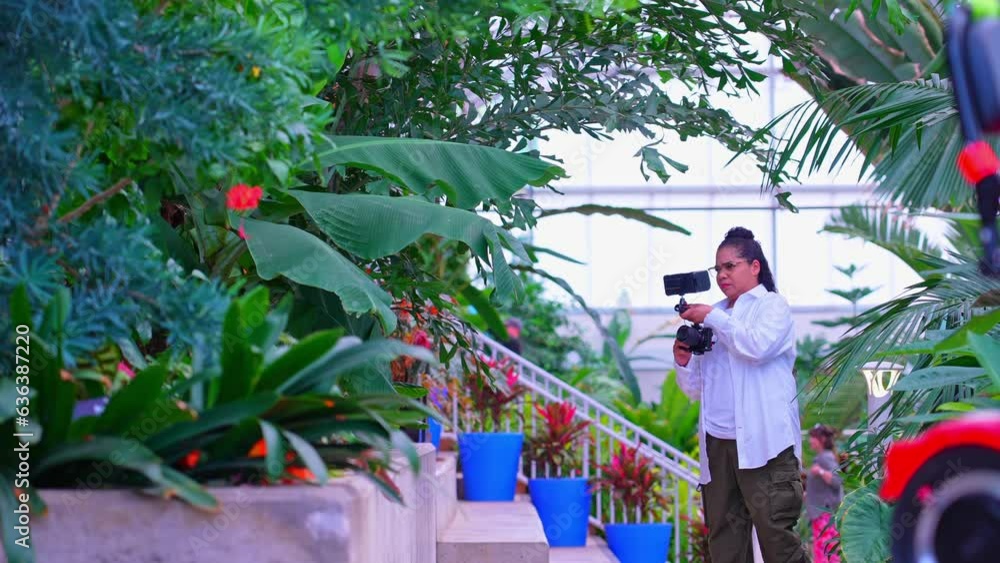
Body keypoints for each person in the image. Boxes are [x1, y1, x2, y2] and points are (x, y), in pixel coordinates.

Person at [673, 227, 806, 563]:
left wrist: (713, 318)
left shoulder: (772, 306)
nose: (721, 275)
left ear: (754, 266)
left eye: (730, 266)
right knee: (725, 543)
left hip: (765, 445)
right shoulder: (714, 315)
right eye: (717, 269)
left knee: (778, 540)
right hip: (718, 446)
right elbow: (695, 390)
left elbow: (757, 346)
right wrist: (684, 362)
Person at [806, 424, 843, 563]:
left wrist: (820, 472)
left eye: (813, 437)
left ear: (821, 439)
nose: (810, 441)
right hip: (822, 513)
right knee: (825, 547)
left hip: (825, 514)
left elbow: (837, 480)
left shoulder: (825, 458)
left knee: (826, 548)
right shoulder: (822, 457)